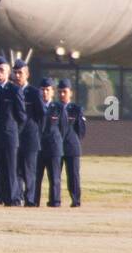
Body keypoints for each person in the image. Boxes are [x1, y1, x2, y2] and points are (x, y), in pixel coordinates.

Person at [0, 57, 25, 205]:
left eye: (1, 70)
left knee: (10, 170)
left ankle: (12, 199)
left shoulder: (14, 90)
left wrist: (14, 131)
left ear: (7, 72)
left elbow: (21, 116)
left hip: (9, 136)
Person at [17, 64, 47, 206]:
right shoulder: (11, 90)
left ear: (27, 74)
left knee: (29, 171)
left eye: (20, 73)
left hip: (30, 137)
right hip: (15, 138)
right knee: (16, 170)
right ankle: (16, 198)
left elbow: (42, 115)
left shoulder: (34, 93)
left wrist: (37, 132)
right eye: (15, 73)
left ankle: (30, 200)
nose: (17, 76)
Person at [34, 79, 65, 207]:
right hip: (38, 147)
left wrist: (56, 141)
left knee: (55, 178)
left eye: (48, 90)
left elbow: (63, 128)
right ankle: (33, 201)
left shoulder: (58, 107)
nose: (45, 92)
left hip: (53, 147)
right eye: (42, 90)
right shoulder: (35, 106)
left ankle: (55, 201)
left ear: (52, 92)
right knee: (36, 177)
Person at [59, 78, 86, 207]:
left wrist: (72, 140)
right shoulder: (55, 108)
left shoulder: (76, 109)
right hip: (57, 147)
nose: (62, 94)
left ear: (71, 93)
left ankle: (75, 200)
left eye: (65, 91)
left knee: (73, 176)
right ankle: (55, 200)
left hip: (72, 147)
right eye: (60, 92)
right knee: (55, 176)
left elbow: (81, 130)